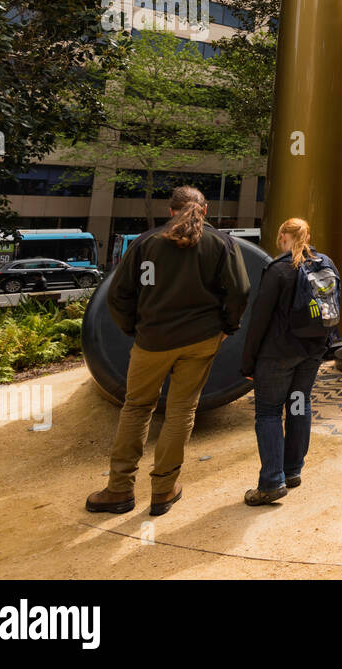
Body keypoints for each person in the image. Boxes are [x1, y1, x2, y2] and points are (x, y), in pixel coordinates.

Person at [86, 186, 250, 517]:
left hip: (152, 341)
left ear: (169, 209)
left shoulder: (146, 242)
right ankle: (163, 491)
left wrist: (134, 328)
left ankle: (119, 490)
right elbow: (241, 290)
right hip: (200, 341)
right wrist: (226, 328)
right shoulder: (221, 243)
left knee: (136, 409)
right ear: (206, 210)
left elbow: (118, 294)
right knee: (181, 412)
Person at [240, 218, 340, 506]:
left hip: (278, 354)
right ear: (307, 236)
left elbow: (258, 320)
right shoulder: (325, 262)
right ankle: (292, 470)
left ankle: (271, 482)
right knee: (299, 403)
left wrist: (248, 363)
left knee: (269, 412)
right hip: (312, 351)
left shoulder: (279, 269)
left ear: (283, 235)